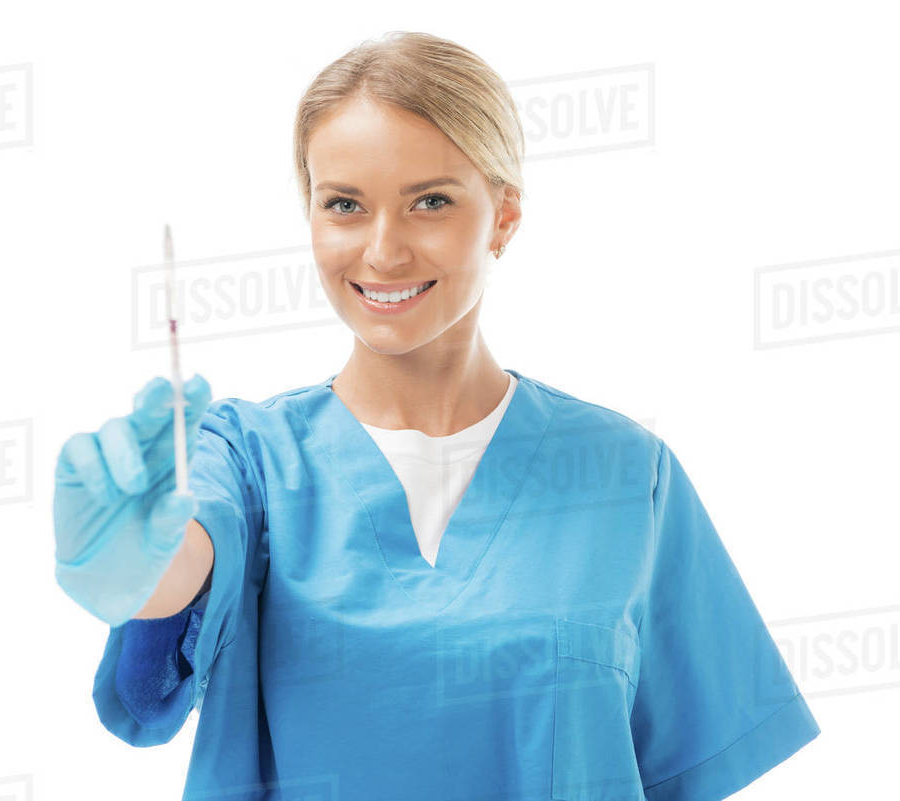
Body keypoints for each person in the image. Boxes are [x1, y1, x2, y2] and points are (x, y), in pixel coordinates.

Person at [52, 31, 819, 801]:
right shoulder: (249, 460)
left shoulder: (625, 474)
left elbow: (689, 768)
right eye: (344, 204)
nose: (382, 251)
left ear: (504, 217)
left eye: (430, 202)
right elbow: (178, 582)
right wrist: (135, 562)